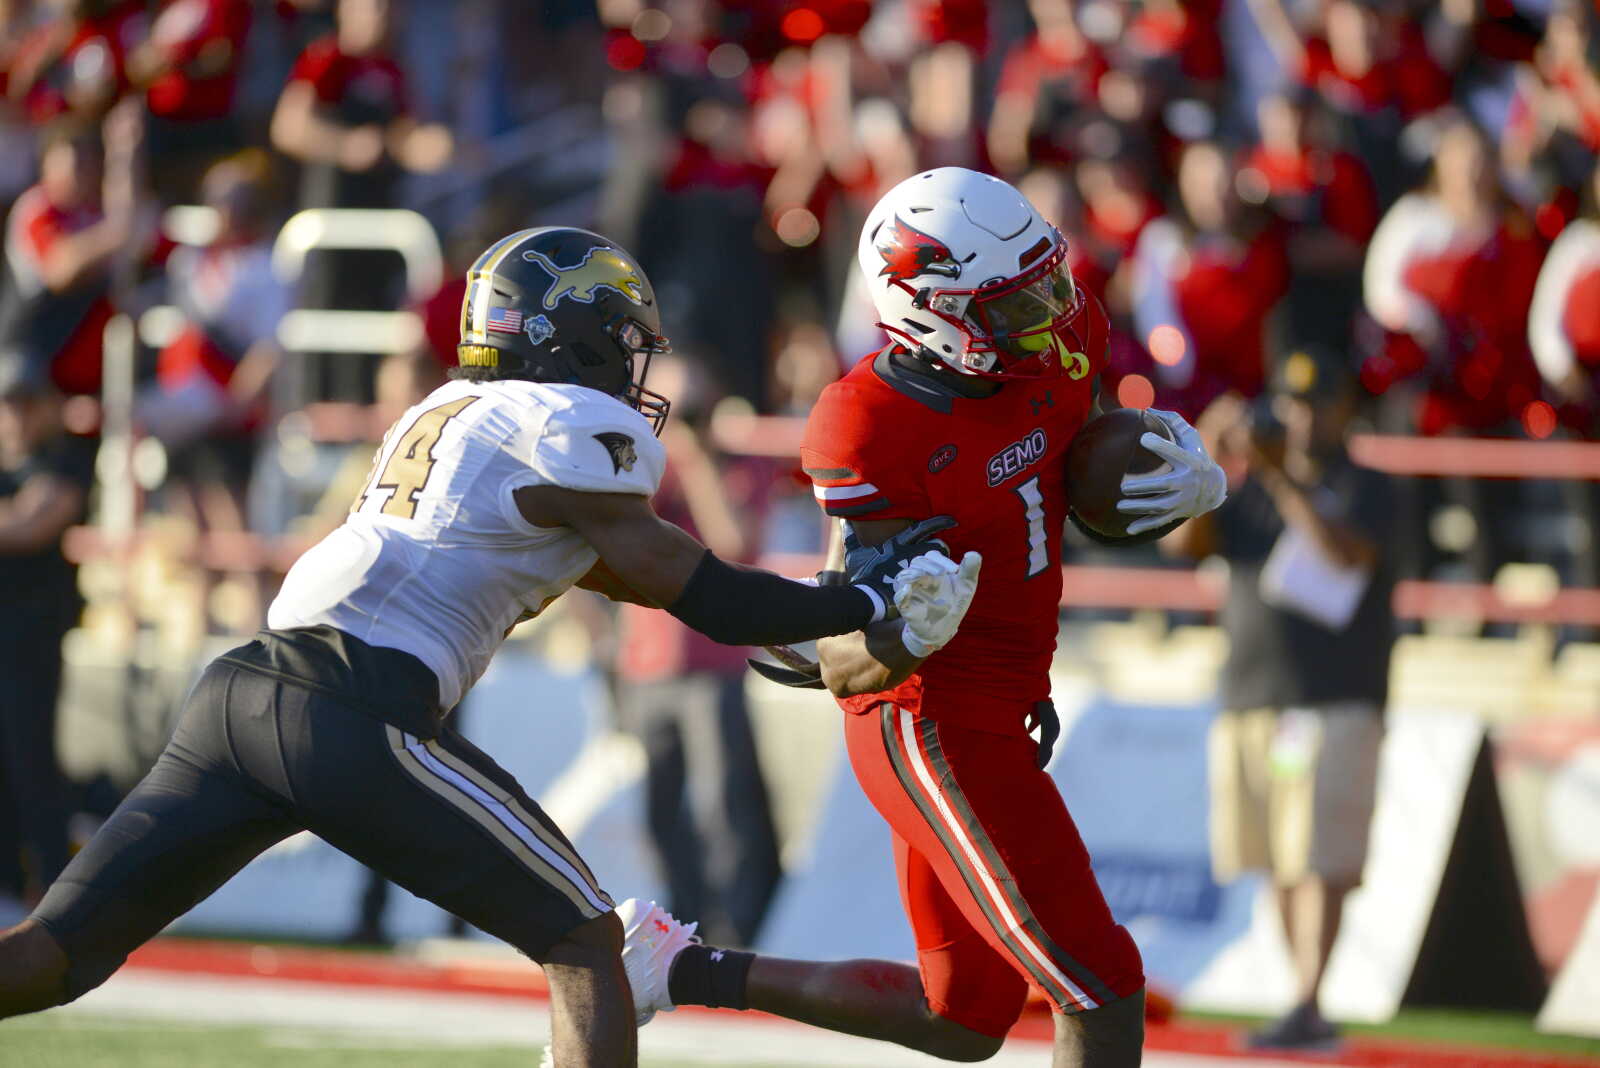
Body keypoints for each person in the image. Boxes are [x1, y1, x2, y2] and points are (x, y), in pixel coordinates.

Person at [0, 226, 981, 1068]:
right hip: (352, 704)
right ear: (570, 334)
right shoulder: (566, 421)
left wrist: (806, 621)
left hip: (240, 692)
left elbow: (653, 585)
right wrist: (861, 597)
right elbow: (708, 596)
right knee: (590, 943)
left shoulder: (447, 413)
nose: (630, 370)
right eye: (620, 341)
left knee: (54, 955)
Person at [615, 168, 1227, 1067]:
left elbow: (1077, 468)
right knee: (1100, 984)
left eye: (1044, 285)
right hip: (924, 720)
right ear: (931, 313)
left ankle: (674, 967)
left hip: (1003, 700)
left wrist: (1171, 486)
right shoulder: (872, 424)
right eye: (1015, 304)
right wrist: (908, 627)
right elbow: (841, 664)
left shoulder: (1054, 334)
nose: (1050, 316)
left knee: (964, 1019)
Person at [1165, 349, 1394, 1051]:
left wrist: (1276, 472)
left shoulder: (1367, 482)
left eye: (1316, 402)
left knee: (1318, 853)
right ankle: (1300, 1000)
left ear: (1344, 409)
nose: (1299, 417)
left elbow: (1345, 553)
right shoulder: (1252, 487)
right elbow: (1182, 544)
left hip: (1328, 699)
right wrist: (1204, 456)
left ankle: (1309, 999)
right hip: (1255, 694)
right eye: (1291, 404)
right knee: (1276, 850)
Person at [0, 353, 93, 905]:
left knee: (31, 754)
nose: (14, 417)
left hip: (32, 633)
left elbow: (32, 525)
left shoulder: (64, 461)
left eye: (24, 404)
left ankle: (57, 886)